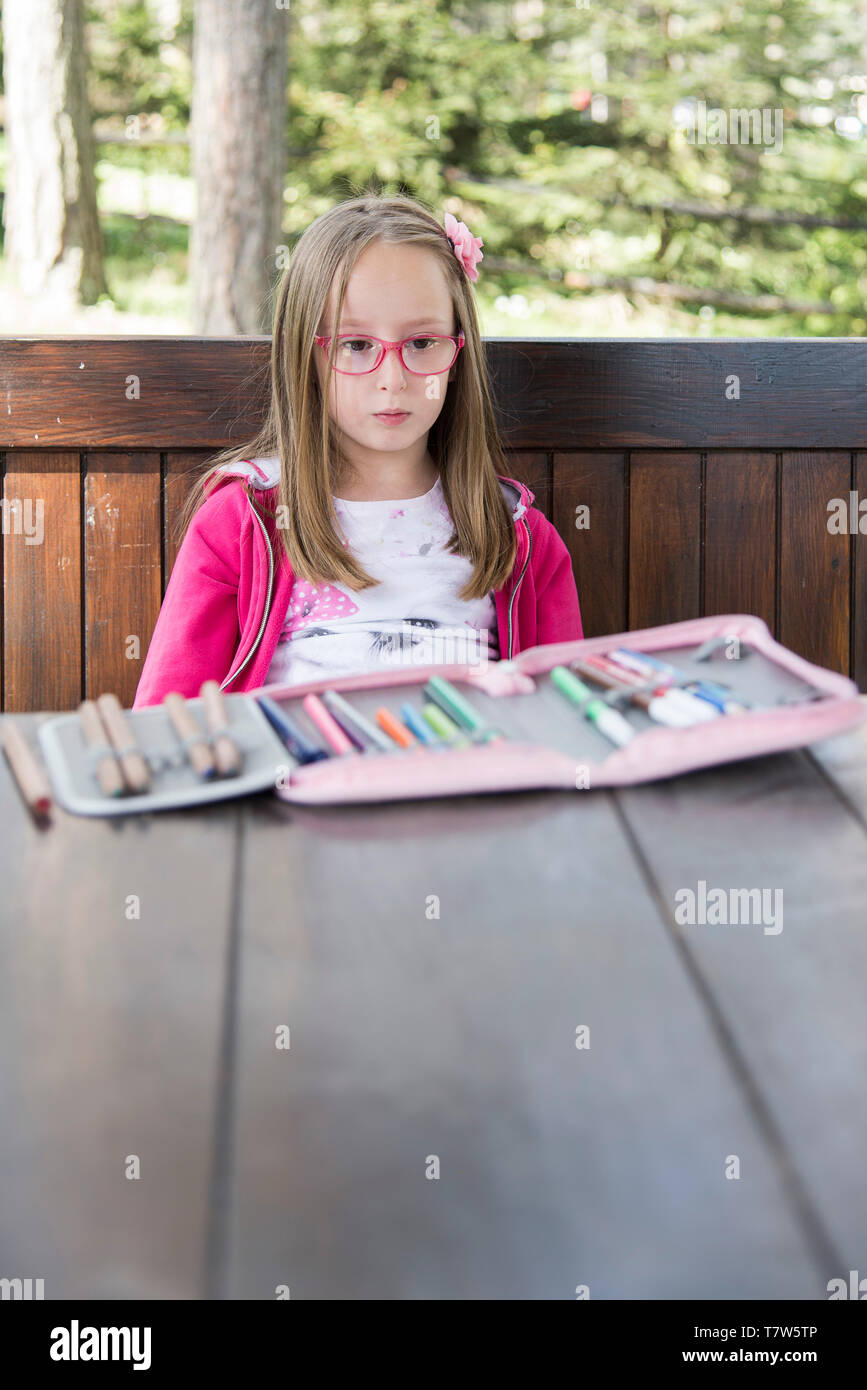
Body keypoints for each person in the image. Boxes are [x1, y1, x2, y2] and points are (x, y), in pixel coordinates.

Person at [133, 194, 582, 708]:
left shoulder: (518, 536)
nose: (392, 381)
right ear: (307, 354)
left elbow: (565, 714)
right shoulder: (241, 523)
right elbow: (168, 719)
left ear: (458, 352)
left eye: (421, 343)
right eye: (356, 345)